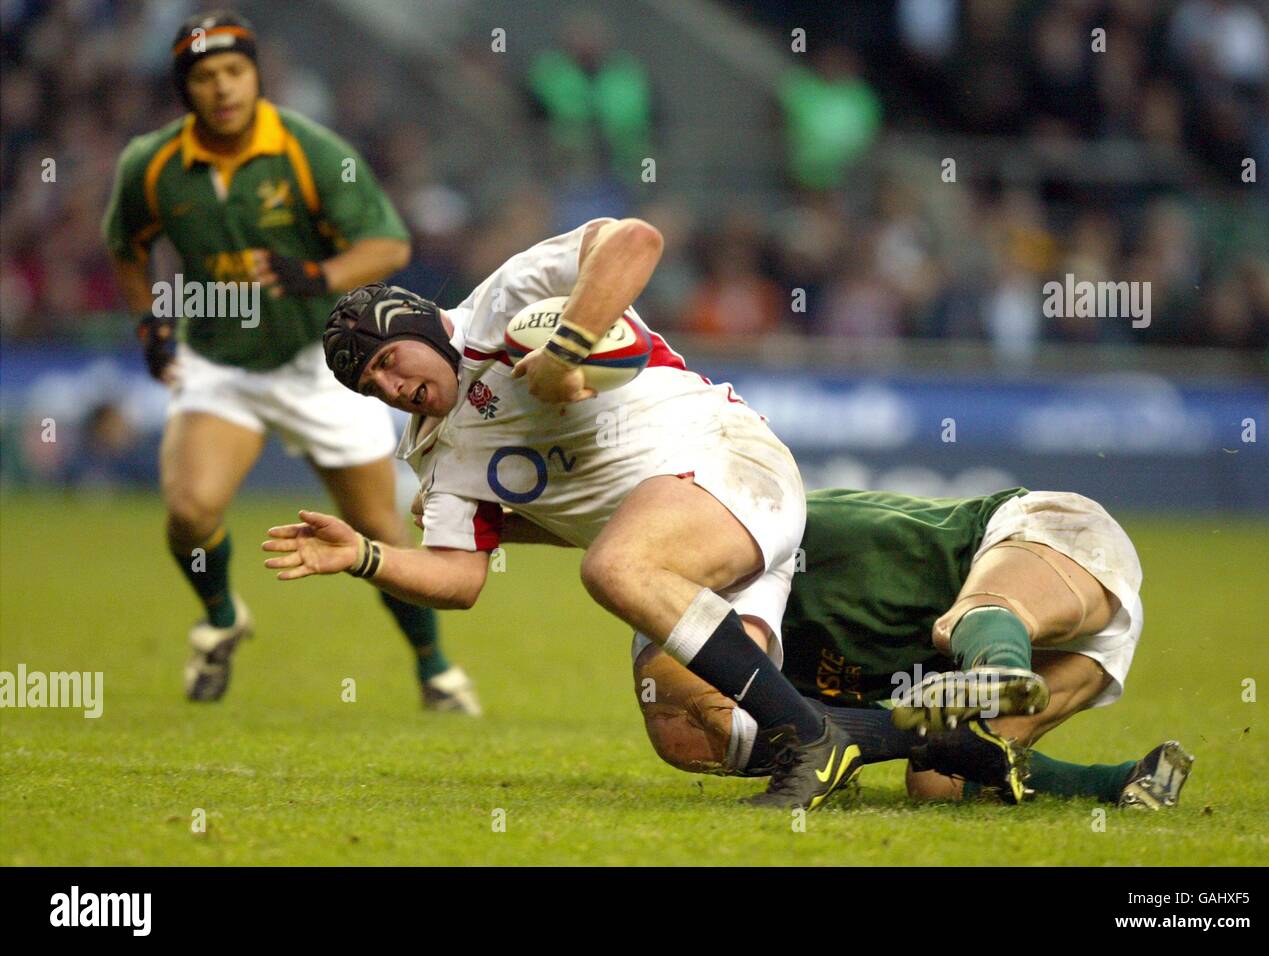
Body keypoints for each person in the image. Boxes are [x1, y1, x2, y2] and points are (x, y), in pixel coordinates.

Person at [261, 217, 906, 810]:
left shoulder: (507, 298)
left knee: (614, 568)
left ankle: (809, 741)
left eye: (387, 362)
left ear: (417, 323)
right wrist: (363, 556)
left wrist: (566, 349)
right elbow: (458, 581)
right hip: (681, 537)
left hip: (729, 460)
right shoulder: (435, 451)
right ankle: (933, 732)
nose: (393, 389)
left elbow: (635, 240)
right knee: (693, 730)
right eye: (373, 388)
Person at [101, 11, 476, 712]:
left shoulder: (309, 150)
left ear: (255, 75)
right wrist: (150, 325)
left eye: (235, 72)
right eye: (206, 76)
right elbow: (127, 245)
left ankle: (434, 668)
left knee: (379, 536)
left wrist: (316, 274)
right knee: (189, 511)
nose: (223, 88)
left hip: (320, 368)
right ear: (186, 88)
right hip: (222, 366)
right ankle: (221, 620)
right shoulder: (149, 166)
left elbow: (387, 246)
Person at [624, 487, 1193, 810]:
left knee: (971, 618)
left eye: (699, 709)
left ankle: (997, 669)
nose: (695, 731)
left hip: (1047, 550)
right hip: (1075, 659)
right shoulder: (776, 680)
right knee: (940, 782)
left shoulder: (777, 543)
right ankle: (1122, 782)